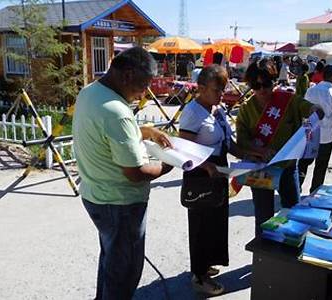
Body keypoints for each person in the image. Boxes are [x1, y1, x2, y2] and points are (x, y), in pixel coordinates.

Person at [72, 47, 173, 300]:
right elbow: (136, 172)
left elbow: (108, 135)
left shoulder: (90, 92)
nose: (145, 92)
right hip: (120, 204)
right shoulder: (117, 112)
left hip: (96, 196)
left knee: (111, 261)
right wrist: (169, 164)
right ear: (128, 75)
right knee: (124, 272)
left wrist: (146, 131)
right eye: (144, 84)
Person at [179, 65, 260, 296]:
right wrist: (206, 166)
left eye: (223, 89)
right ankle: (199, 275)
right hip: (200, 174)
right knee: (201, 226)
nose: (221, 94)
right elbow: (184, 149)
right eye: (217, 89)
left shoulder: (218, 108)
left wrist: (247, 154)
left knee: (216, 222)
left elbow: (227, 141)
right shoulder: (192, 112)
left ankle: (206, 263)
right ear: (201, 88)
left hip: (218, 170)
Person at [236, 58, 323, 236]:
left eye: (266, 84)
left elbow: (309, 108)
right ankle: (263, 257)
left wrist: (315, 109)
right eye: (256, 86)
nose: (262, 90)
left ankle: (290, 252)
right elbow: (242, 141)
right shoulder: (246, 109)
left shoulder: (288, 100)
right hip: (261, 168)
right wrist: (260, 151)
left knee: (293, 213)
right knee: (263, 216)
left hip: (288, 167)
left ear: (274, 81)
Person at [298, 64, 332, 193]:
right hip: (326, 137)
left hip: (309, 134)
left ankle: (296, 188)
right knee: (321, 165)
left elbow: (304, 110)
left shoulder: (311, 90)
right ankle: (315, 191)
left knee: (303, 164)